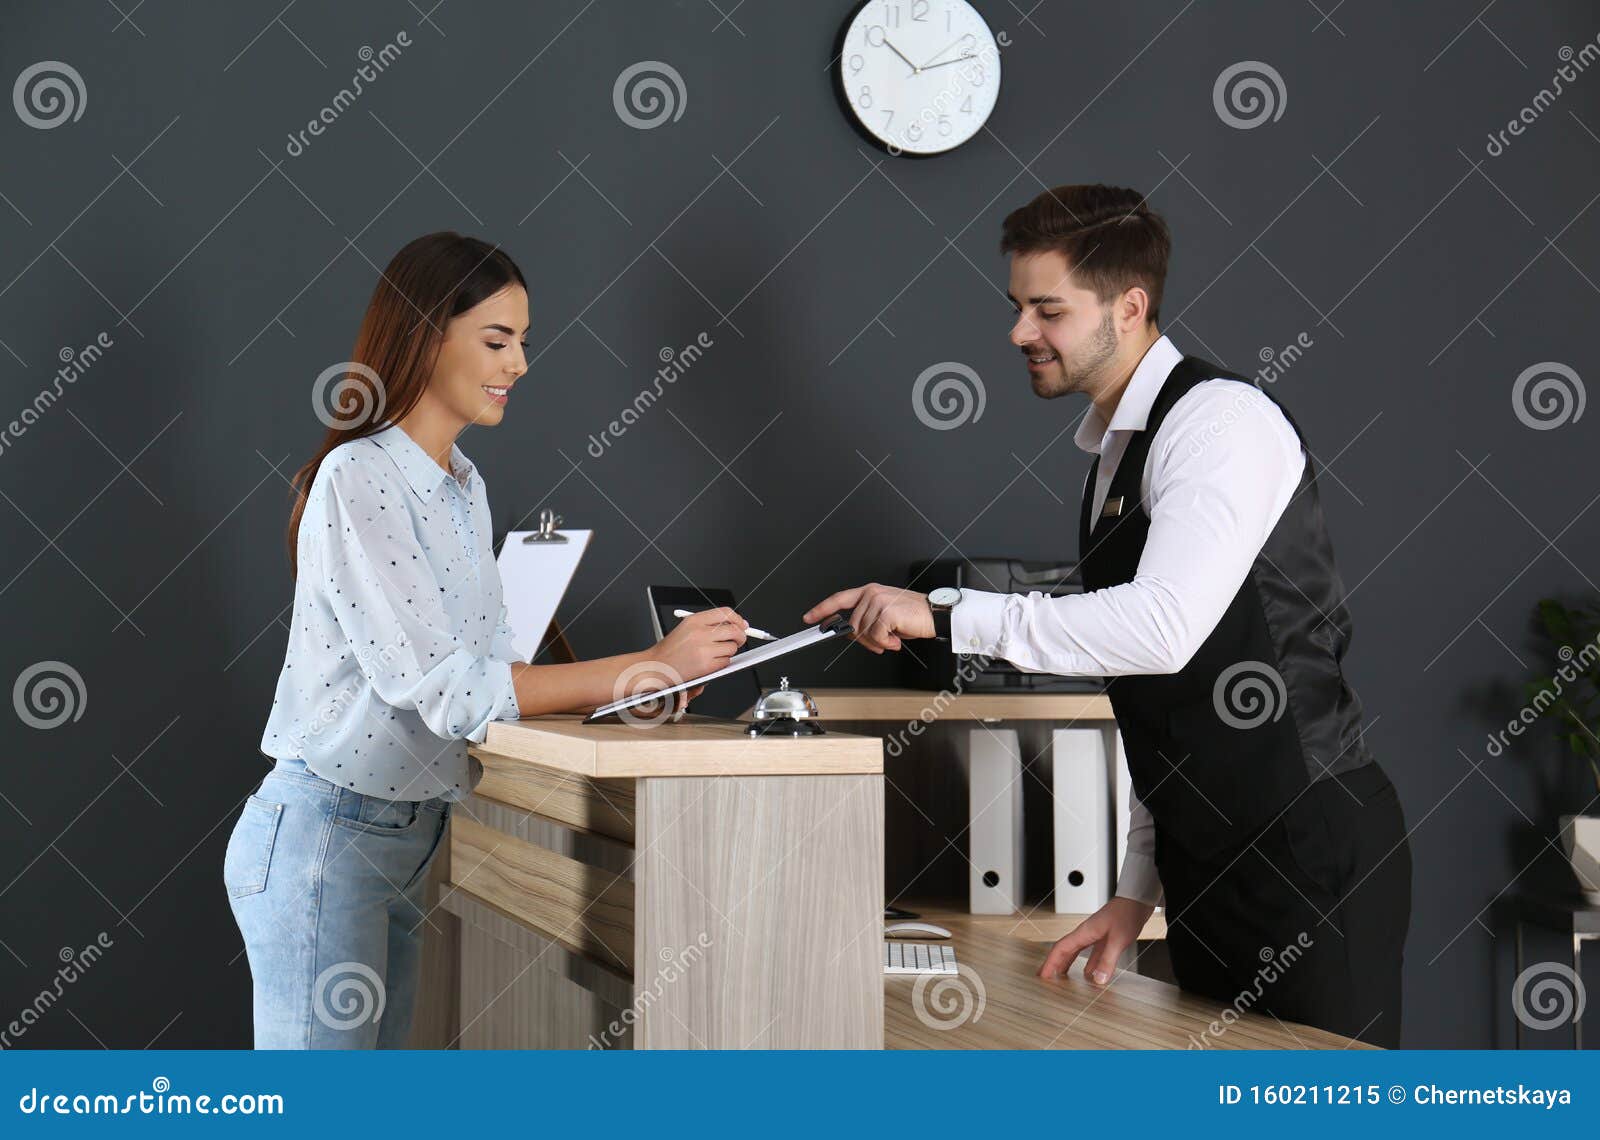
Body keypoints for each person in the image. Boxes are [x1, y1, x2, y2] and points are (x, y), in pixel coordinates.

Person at [804, 185, 1411, 1047]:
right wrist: (1136, 890)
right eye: (1017, 307)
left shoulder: (1219, 422)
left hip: (1304, 846)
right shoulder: (1110, 454)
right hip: (1206, 867)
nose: (1020, 333)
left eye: (1047, 310)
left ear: (1129, 307)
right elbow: (1158, 709)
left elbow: (1161, 633)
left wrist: (945, 615)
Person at [223, 232, 746, 1048]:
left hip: (409, 839)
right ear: (427, 335)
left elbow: (497, 669)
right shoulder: (357, 477)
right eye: (497, 341)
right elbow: (447, 690)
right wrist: (637, 667)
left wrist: (641, 690)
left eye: (523, 344)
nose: (520, 365)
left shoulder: (466, 486)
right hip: (329, 842)